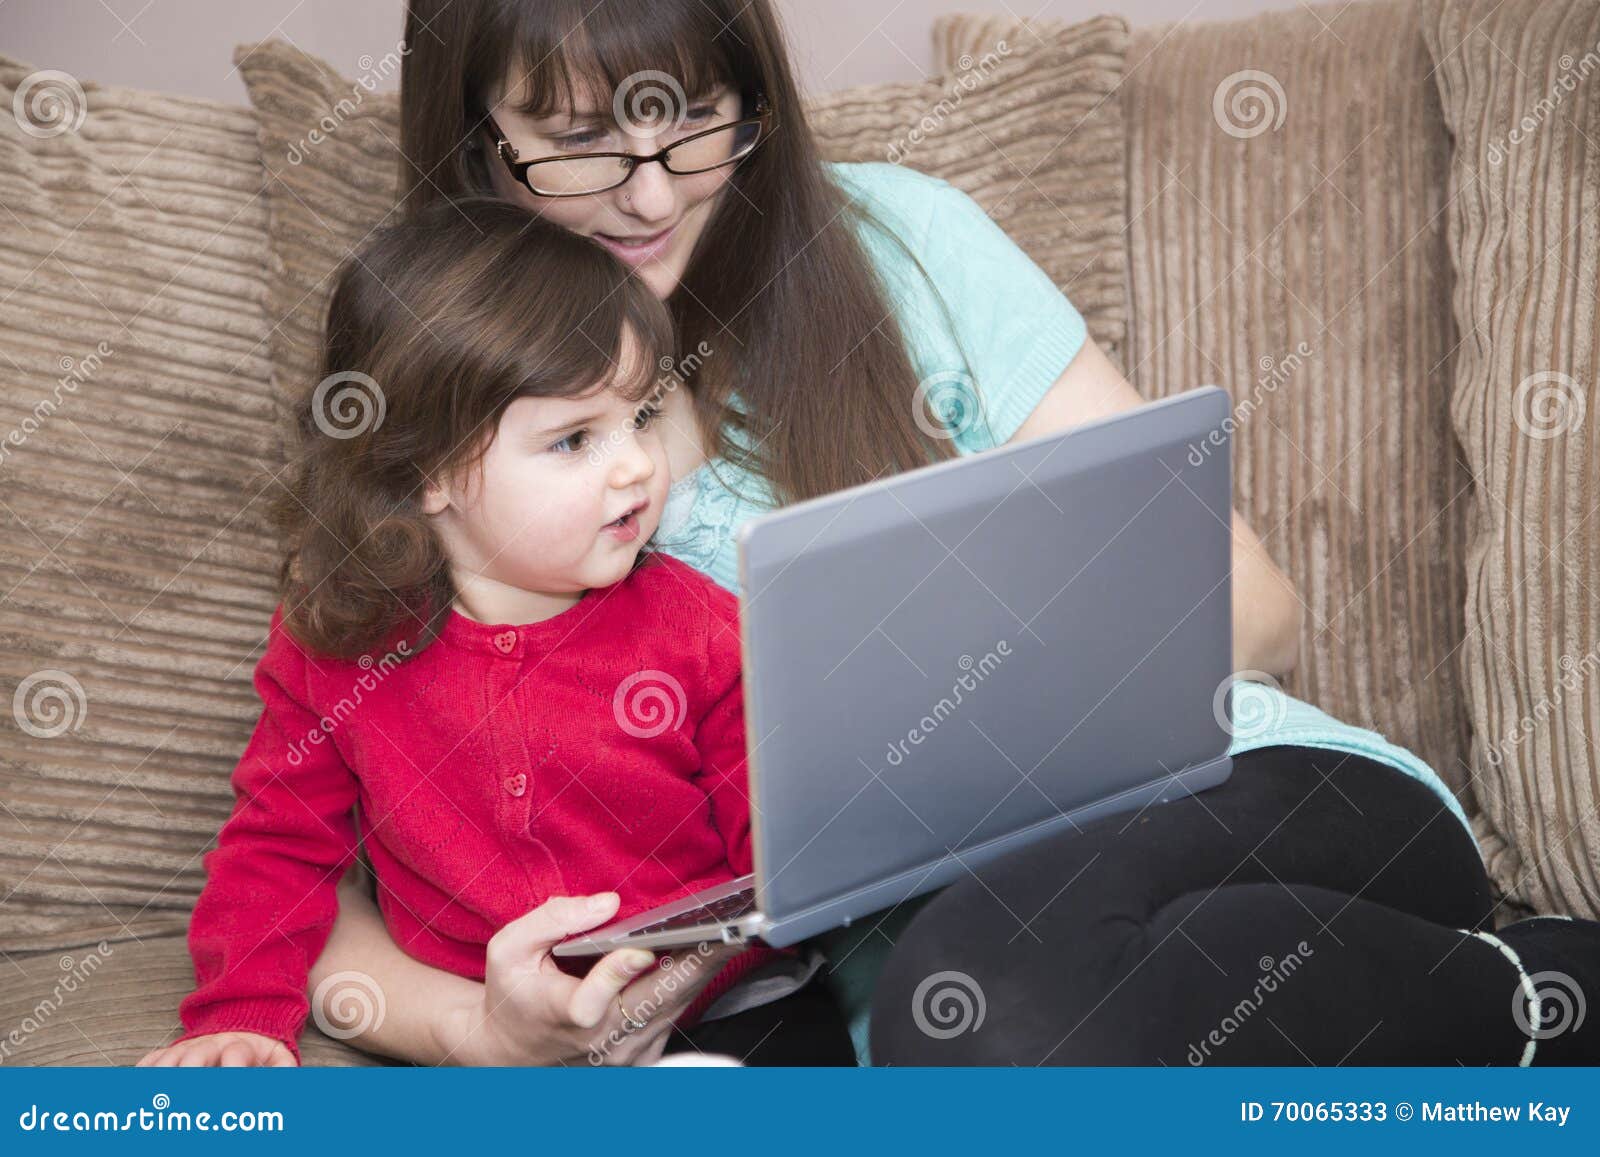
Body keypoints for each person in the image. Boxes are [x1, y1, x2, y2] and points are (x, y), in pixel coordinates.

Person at [296, 0, 1600, 1067]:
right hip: (965, 975)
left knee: (1001, 1007)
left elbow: (1251, 599)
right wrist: (479, 1026)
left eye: (692, 123)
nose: (648, 195)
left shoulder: (901, 242)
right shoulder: (450, 409)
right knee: (977, 1012)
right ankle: (1534, 1000)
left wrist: (990, 708)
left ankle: (1515, 995)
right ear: (477, 144)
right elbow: (316, 856)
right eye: (578, 142)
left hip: (1252, 792)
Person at [136, 199, 854, 1068]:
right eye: (574, 439)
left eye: (641, 418)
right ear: (426, 470)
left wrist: (670, 986)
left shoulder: (704, 631)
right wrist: (241, 1011)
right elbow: (279, 842)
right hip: (491, 1030)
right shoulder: (340, 649)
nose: (636, 465)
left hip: (725, 1010)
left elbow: (775, 873)